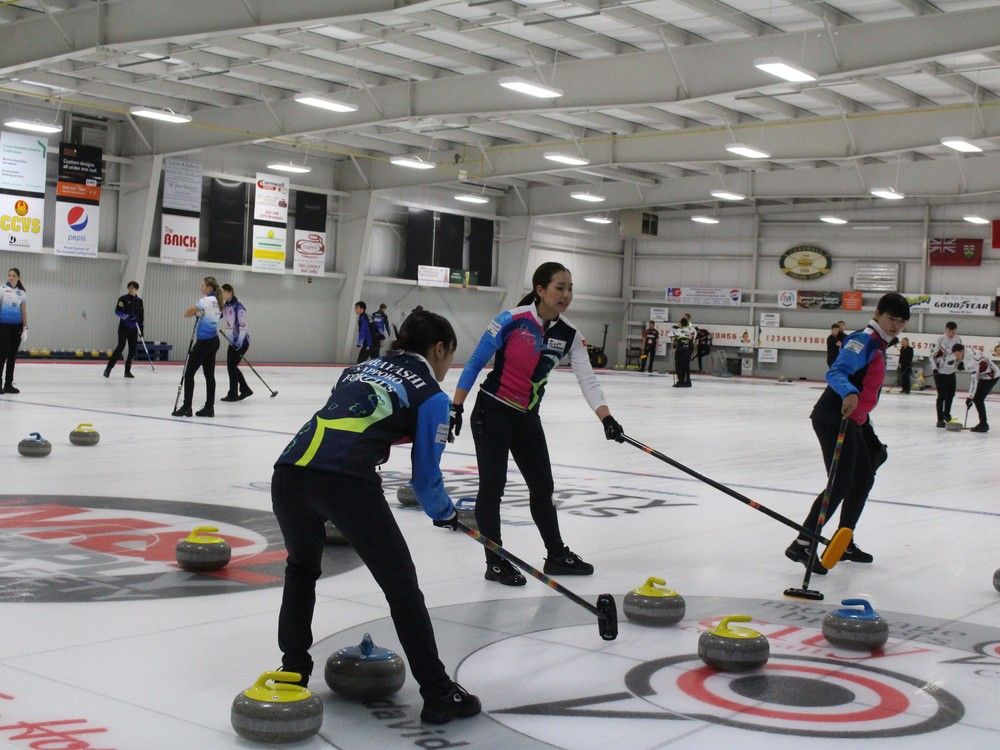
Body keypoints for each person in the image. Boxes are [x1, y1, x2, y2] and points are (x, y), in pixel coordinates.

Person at [271, 310, 480, 724]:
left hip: (289, 470)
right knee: (402, 588)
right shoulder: (433, 397)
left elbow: (353, 415)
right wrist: (447, 514)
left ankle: (293, 667)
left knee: (301, 569)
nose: (446, 369)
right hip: (345, 481)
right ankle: (438, 693)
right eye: (449, 358)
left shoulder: (358, 368)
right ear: (438, 349)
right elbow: (425, 479)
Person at [449, 262, 625, 586]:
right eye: (560, 287)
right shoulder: (511, 321)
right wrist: (455, 406)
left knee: (543, 488)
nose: (566, 294)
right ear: (540, 289)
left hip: (527, 417)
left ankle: (556, 555)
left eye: (570, 288)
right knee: (492, 487)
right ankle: (496, 561)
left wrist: (607, 418)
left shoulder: (570, 335)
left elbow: (588, 381)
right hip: (493, 411)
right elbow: (475, 363)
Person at [785, 293, 910, 574]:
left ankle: (844, 540)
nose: (896, 326)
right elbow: (836, 371)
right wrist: (850, 391)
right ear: (878, 313)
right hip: (834, 416)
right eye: (892, 319)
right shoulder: (863, 340)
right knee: (841, 483)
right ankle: (803, 544)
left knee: (864, 477)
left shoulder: (879, 345)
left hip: (856, 419)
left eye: (902, 322)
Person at [172, 277, 222, 418]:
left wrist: (196, 312)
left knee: (189, 374)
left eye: (203, 285)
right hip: (213, 341)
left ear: (209, 288)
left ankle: (187, 407)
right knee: (209, 375)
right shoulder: (218, 302)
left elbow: (187, 313)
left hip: (204, 343)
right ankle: (209, 408)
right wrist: (201, 313)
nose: (201, 287)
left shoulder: (205, 300)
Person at [953, 344, 999, 433]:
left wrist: (970, 397)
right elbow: (978, 361)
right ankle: (983, 424)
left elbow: (974, 381)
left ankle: (983, 425)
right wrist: (963, 365)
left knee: (978, 399)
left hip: (991, 376)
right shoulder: (967, 350)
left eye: (957, 355)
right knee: (977, 399)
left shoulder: (971, 362)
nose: (956, 357)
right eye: (954, 355)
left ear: (962, 351)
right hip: (985, 373)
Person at [104, 281, 144, 379]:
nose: (130, 290)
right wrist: (128, 317)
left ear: (136, 289)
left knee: (132, 350)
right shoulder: (123, 299)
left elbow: (141, 317)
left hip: (134, 329)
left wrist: (141, 330)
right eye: (129, 288)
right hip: (124, 327)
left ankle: (127, 371)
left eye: (132, 288)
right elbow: (117, 311)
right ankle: (108, 369)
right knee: (120, 347)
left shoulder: (139, 301)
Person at [220, 283, 252, 402]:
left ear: (230, 292)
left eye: (223, 292)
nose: (221, 294)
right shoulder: (226, 306)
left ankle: (234, 393)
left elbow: (243, 328)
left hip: (242, 342)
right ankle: (244, 389)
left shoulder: (239, 308)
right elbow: (219, 316)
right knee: (231, 366)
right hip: (232, 342)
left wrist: (238, 343)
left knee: (232, 366)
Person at [0, 267, 27, 394]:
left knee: (12, 356)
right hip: (3, 326)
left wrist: (25, 327)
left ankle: (8, 384)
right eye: (9, 275)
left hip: (17, 328)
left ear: (18, 277)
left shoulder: (22, 293)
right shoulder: (2, 289)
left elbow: (24, 311)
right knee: (2, 354)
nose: (10, 277)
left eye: (13, 275)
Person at [931, 321, 962, 427]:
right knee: (942, 396)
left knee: (951, 394)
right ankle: (940, 419)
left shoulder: (958, 340)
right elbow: (932, 356)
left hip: (951, 372)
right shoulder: (940, 340)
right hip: (940, 372)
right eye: (949, 332)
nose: (951, 334)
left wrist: (960, 363)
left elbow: (960, 354)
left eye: (953, 332)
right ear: (946, 330)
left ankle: (946, 413)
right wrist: (934, 369)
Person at [670, 317, 696, 387]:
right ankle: (680, 380)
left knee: (684, 366)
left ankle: (686, 381)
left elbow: (691, 341)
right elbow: (674, 339)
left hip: (685, 351)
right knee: (678, 366)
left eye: (679, 322)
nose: (678, 323)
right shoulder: (677, 331)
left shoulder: (689, 330)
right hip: (679, 350)